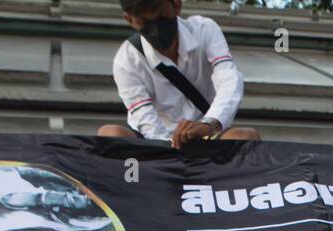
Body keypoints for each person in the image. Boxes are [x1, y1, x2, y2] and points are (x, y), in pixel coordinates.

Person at [99, 0, 260, 147]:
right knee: (110, 134)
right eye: (144, 21)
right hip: (151, 142)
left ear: (177, 5)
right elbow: (145, 119)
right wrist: (169, 150)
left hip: (206, 135)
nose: (155, 29)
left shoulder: (205, 30)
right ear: (130, 19)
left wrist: (209, 124)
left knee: (246, 137)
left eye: (161, 15)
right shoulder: (126, 61)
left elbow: (228, 78)